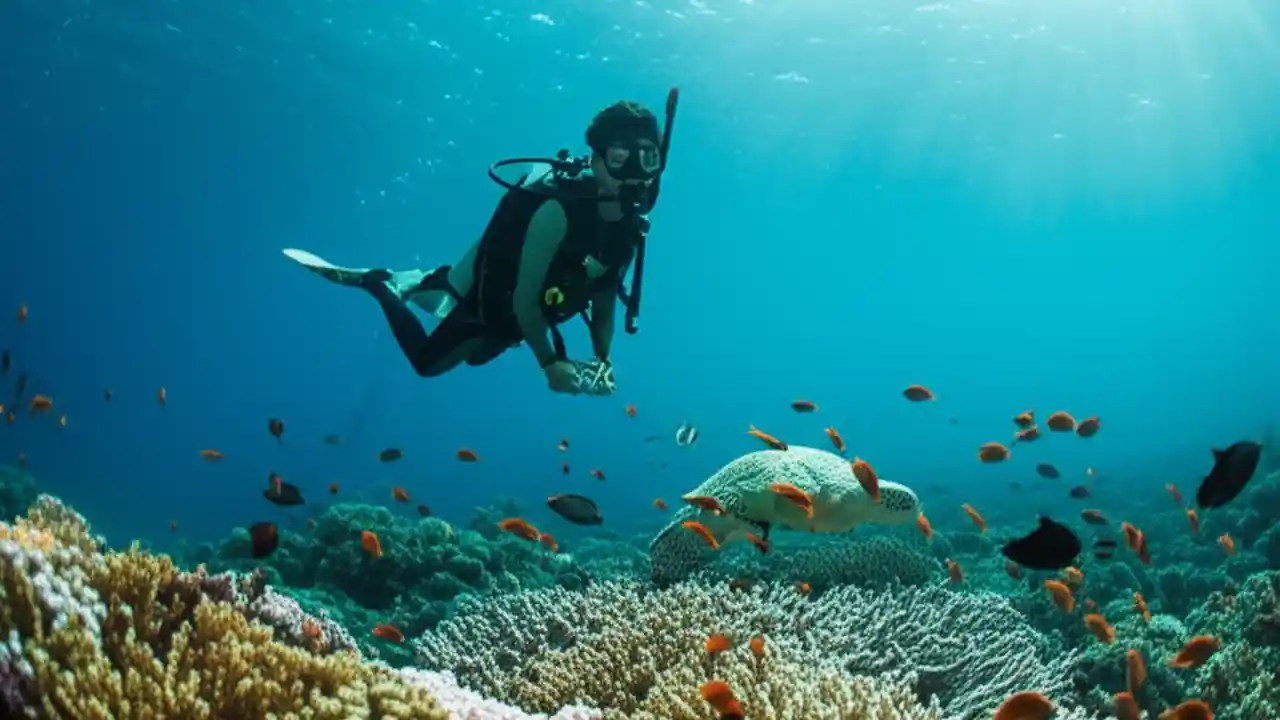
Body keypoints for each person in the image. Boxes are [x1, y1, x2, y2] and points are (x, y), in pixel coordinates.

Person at [284, 91, 678, 396]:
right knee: (428, 365)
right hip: (502, 300)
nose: (634, 175)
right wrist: (549, 364)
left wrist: (603, 359)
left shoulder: (632, 226)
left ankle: (434, 281)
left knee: (477, 358)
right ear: (594, 161)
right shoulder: (558, 211)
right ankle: (382, 284)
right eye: (621, 158)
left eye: (647, 160)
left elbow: (606, 298)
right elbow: (524, 299)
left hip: (531, 313)